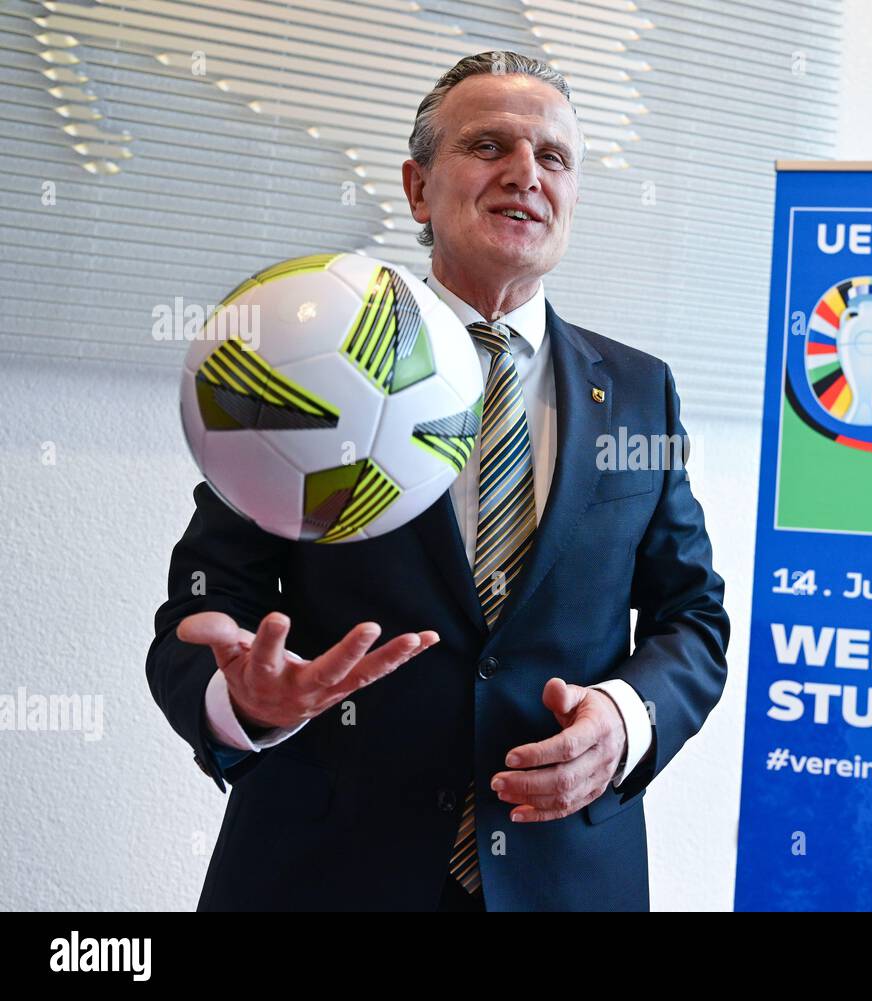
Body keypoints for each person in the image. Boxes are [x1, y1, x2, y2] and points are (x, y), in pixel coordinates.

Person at [145, 51, 729, 912]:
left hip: (565, 876)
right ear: (418, 190)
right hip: (322, 876)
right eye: (489, 145)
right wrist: (245, 700)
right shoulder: (298, 357)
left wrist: (626, 720)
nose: (526, 174)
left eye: (553, 157)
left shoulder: (641, 391)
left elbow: (693, 616)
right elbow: (200, 611)